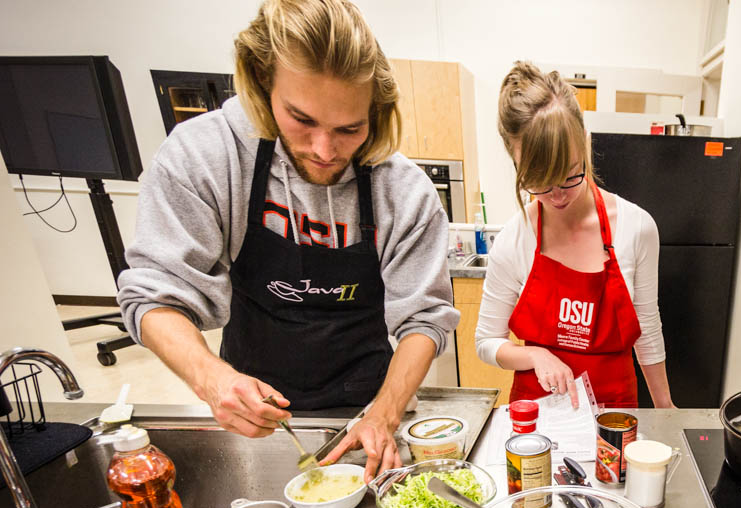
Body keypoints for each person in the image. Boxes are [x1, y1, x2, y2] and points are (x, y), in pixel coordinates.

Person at [116, 0, 458, 479]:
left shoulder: (403, 192)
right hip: (252, 417)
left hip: (368, 407)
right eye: (301, 119)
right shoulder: (205, 157)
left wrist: (384, 413)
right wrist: (213, 380)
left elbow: (424, 318)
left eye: (349, 128)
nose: (324, 150)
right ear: (262, 84)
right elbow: (154, 295)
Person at [475, 61, 674, 409]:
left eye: (569, 175)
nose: (557, 196)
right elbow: (486, 341)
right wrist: (535, 356)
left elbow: (647, 329)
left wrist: (665, 409)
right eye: (538, 181)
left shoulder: (636, 228)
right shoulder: (514, 240)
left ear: (586, 142)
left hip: (615, 417)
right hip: (537, 422)